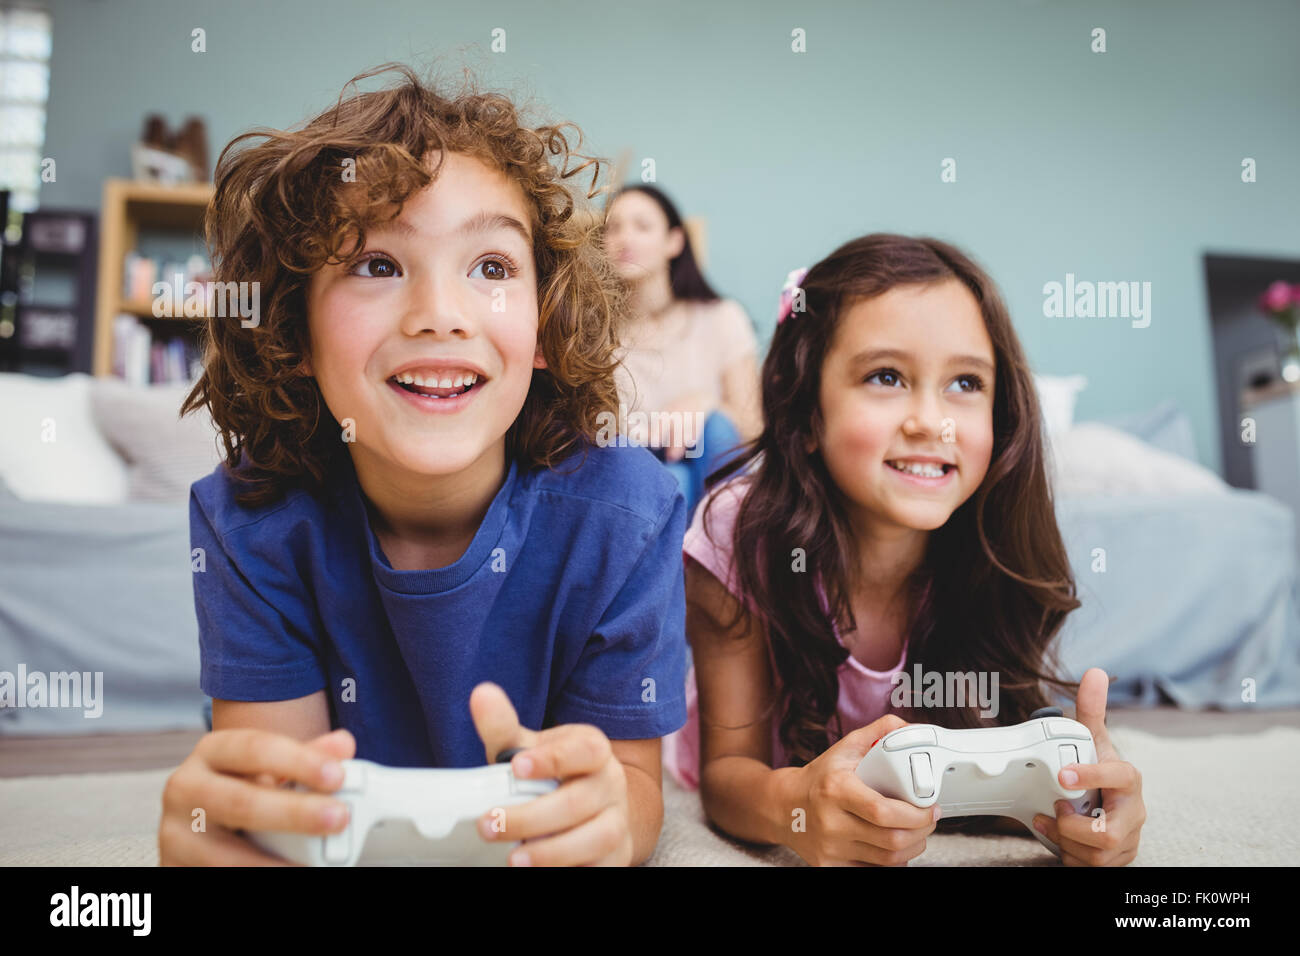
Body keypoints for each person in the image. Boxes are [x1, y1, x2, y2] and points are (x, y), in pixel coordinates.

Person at [160, 63, 687, 866]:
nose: (440, 315)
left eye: (492, 267)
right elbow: (282, 807)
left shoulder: (631, 513)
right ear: (294, 333)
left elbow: (631, 791)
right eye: (376, 264)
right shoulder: (247, 523)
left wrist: (606, 820)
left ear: (546, 328)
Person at [666, 234, 1147, 866]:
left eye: (966, 382)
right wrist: (800, 805)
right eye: (886, 376)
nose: (931, 422)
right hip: (762, 773)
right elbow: (729, 778)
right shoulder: (739, 533)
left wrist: (1081, 804)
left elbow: (994, 754)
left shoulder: (991, 542)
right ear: (806, 411)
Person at [603, 184, 761, 516]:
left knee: (714, 428)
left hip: (710, 460)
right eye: (612, 228)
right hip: (636, 470)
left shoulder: (721, 317)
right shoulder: (591, 334)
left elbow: (752, 425)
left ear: (675, 241)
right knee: (673, 478)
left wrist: (705, 404)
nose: (624, 239)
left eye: (642, 226)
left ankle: (725, 553)